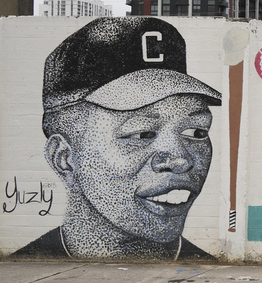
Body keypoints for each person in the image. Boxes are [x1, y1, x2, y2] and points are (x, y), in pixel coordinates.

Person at [13, 17, 221, 260]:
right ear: (64, 159)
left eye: (196, 132)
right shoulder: (24, 265)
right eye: (142, 133)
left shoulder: (209, 268)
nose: (180, 160)